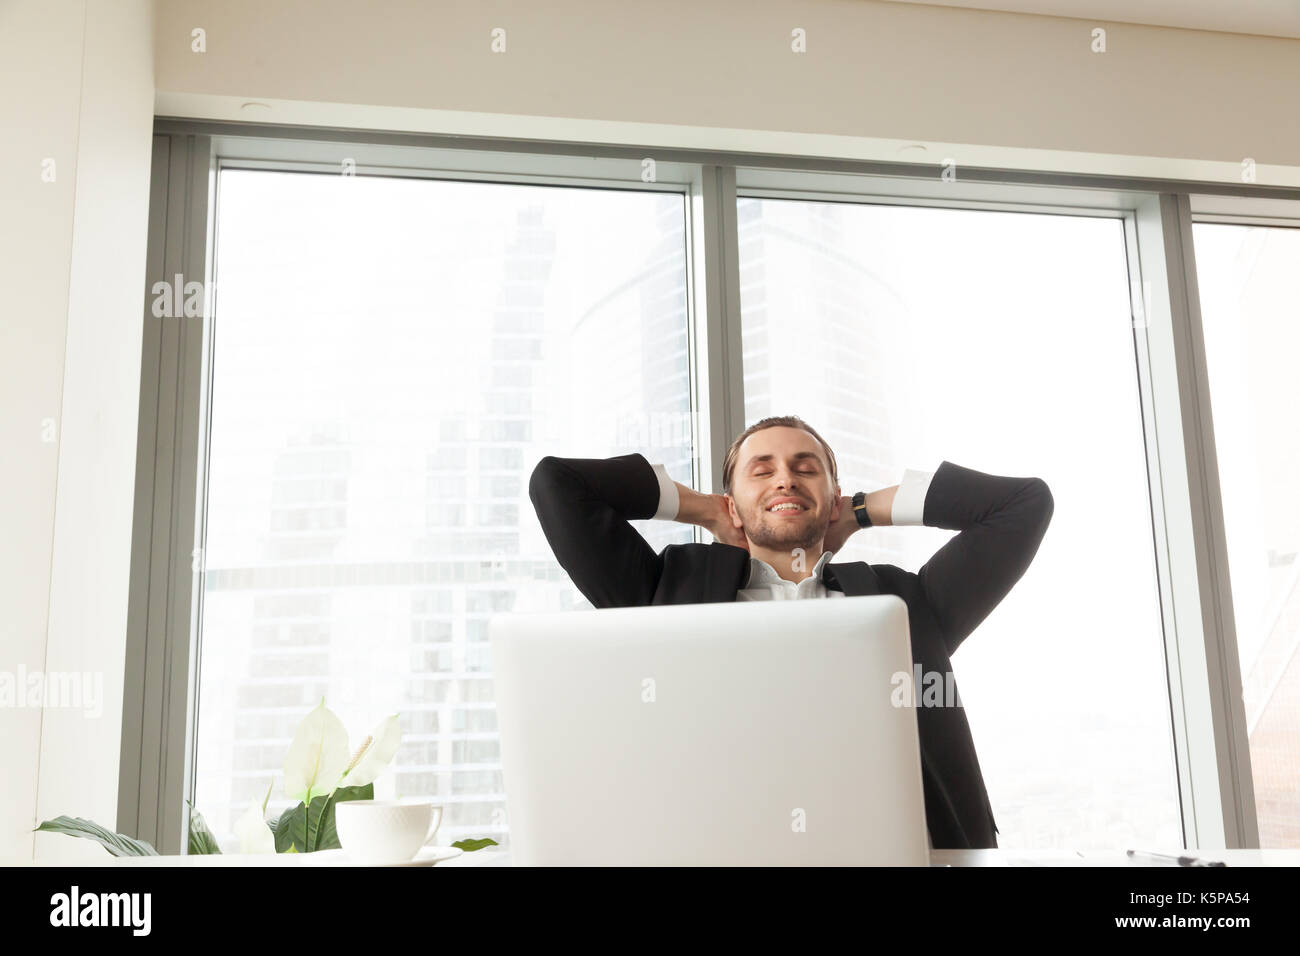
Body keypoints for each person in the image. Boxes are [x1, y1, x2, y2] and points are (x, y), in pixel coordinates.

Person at [528, 414, 1054, 849]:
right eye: (762, 470)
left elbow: (1022, 505)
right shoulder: (664, 592)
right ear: (733, 502)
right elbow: (558, 484)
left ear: (832, 498)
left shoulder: (907, 601)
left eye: (806, 469)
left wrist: (863, 511)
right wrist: (706, 509)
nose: (785, 479)